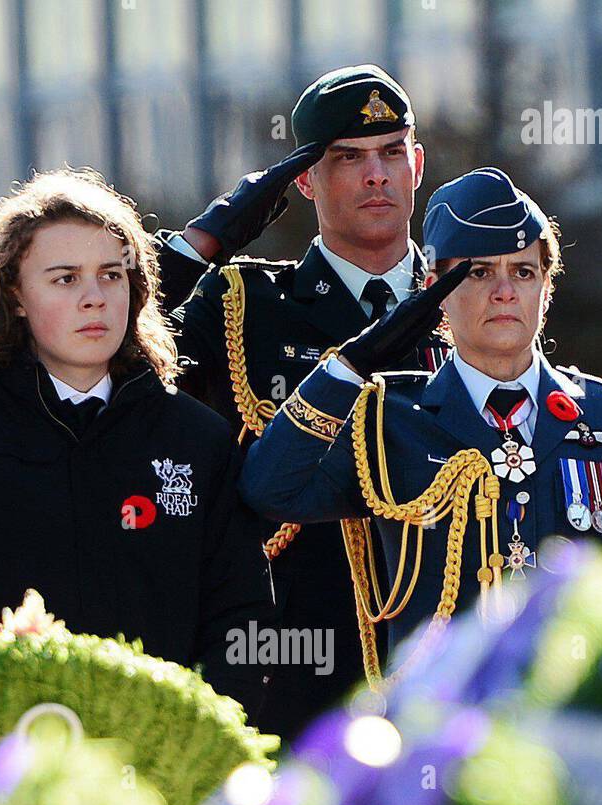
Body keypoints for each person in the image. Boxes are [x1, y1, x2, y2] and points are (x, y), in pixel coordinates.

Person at [240, 167, 602, 684]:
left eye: (523, 272)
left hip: (573, 714)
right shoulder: (388, 418)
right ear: (432, 292)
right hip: (443, 717)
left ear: (546, 285)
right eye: (478, 273)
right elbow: (270, 491)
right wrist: (347, 369)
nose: (505, 292)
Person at [0, 168, 273, 719]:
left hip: (177, 769)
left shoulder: (199, 438)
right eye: (65, 279)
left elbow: (241, 620)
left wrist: (190, 737)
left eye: (112, 275)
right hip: (14, 766)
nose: (95, 298)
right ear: (15, 295)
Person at [156, 64, 449, 737]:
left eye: (391, 153)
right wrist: (199, 244)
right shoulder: (242, 305)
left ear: (417, 164)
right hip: (286, 684)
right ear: (305, 180)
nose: (376, 175)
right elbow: (100, 349)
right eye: (347, 158)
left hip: (441, 689)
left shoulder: (469, 301)